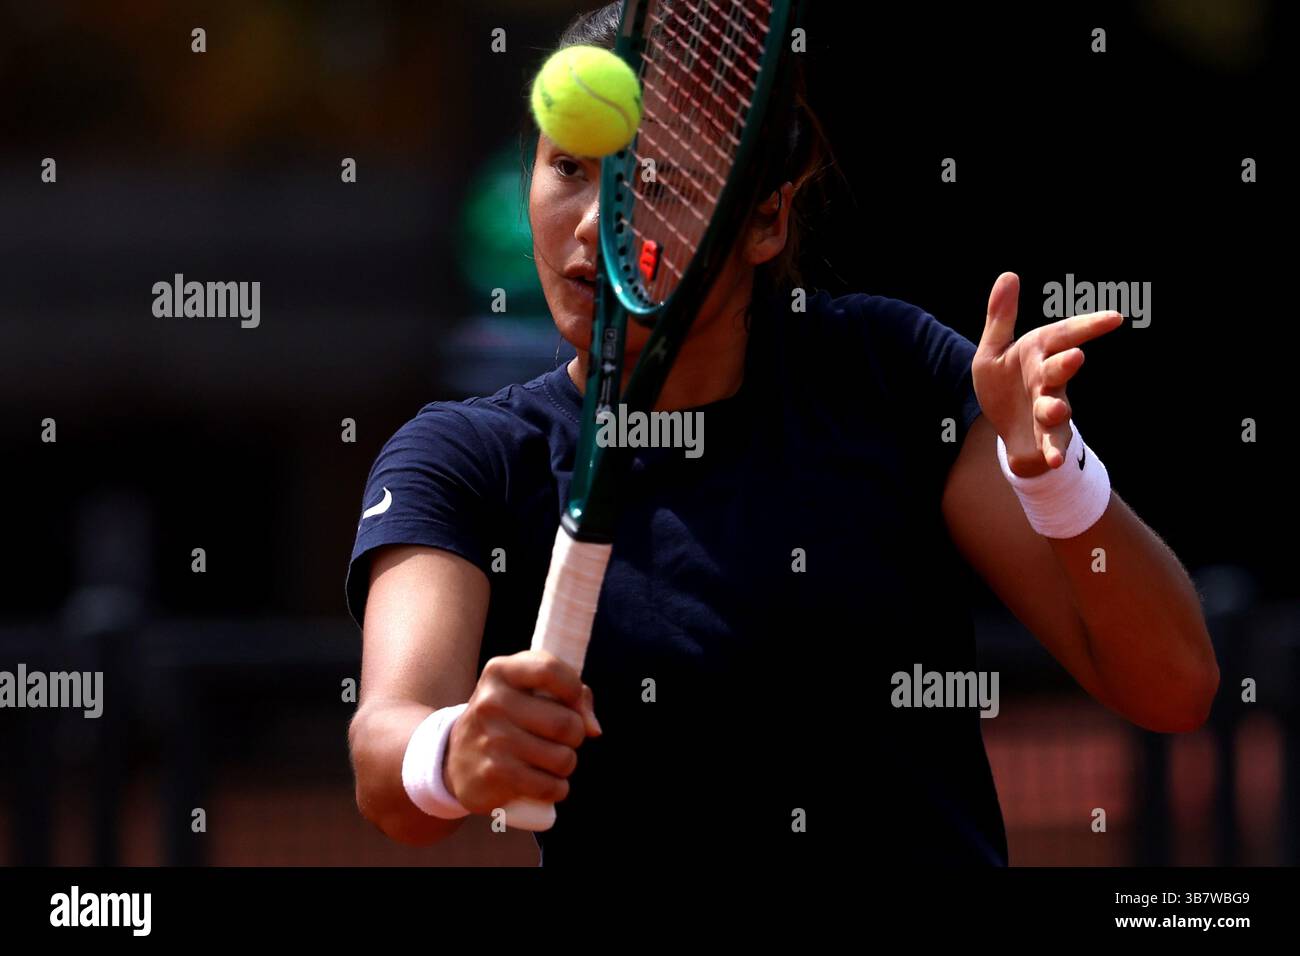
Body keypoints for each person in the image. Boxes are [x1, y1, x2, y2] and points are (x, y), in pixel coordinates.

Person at [345, 3, 1219, 867]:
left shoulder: (890, 373)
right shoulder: (464, 460)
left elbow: (1174, 687)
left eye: (653, 185)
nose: (589, 222)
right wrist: (454, 751)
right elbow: (387, 757)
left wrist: (1054, 476)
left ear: (766, 219)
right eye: (569, 165)